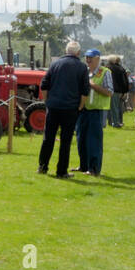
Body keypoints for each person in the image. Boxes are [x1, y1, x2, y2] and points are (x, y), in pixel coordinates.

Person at [37, 40, 90, 178]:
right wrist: (81, 105)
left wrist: (47, 100)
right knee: (65, 141)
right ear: (78, 52)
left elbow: (44, 85)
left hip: (53, 106)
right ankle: (61, 171)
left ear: (66, 51)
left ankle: (42, 167)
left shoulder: (54, 64)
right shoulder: (82, 67)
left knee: (48, 138)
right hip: (70, 108)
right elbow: (85, 90)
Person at [74, 49, 112, 176]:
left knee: (93, 140)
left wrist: (92, 85)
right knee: (81, 138)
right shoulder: (84, 71)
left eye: (90, 57)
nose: (88, 60)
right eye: (86, 57)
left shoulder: (105, 72)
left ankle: (94, 169)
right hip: (82, 109)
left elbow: (109, 92)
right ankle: (83, 165)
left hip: (96, 110)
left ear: (97, 59)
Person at [106, 55, 129, 128]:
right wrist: (124, 91)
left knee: (109, 107)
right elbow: (123, 81)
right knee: (115, 107)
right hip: (116, 90)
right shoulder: (120, 69)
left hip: (106, 90)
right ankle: (116, 123)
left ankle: (110, 122)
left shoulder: (106, 68)